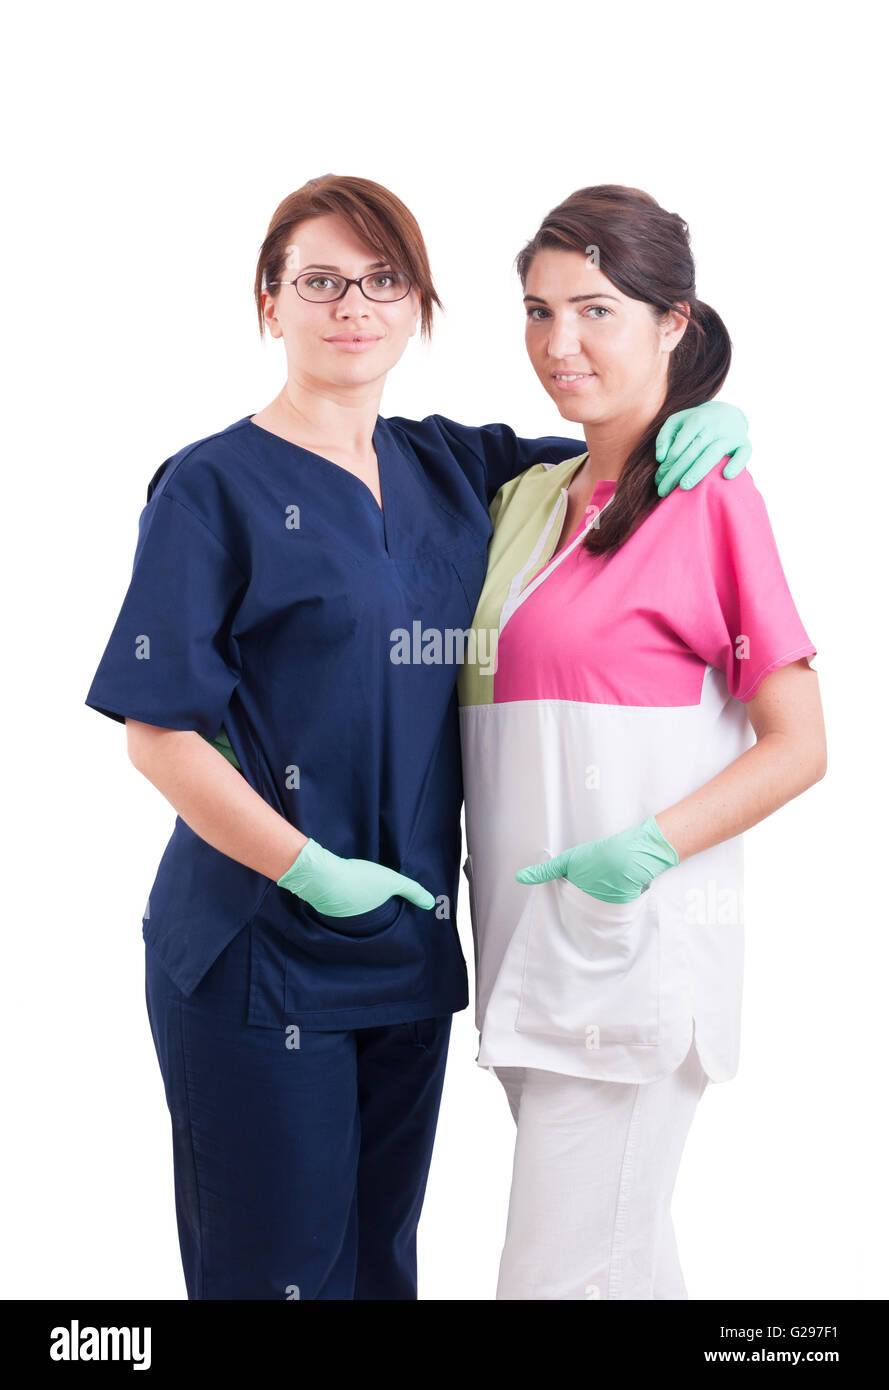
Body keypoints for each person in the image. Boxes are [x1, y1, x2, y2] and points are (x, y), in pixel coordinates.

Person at [84, 174, 752, 1300]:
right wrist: (303, 865)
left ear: (418, 307)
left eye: (383, 280)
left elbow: (618, 443)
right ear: (270, 303)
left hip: (402, 954)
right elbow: (160, 735)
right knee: (277, 1278)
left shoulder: (456, 468)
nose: (354, 305)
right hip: (255, 950)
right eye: (320, 281)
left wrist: (708, 407)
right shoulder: (211, 487)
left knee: (381, 1271)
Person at [456, 184, 826, 1301]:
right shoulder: (530, 496)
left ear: (675, 323)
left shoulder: (711, 497)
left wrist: (650, 846)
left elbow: (799, 740)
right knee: (623, 1271)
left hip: (632, 967)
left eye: (595, 309)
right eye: (535, 310)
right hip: (529, 963)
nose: (557, 344)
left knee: (554, 1283)